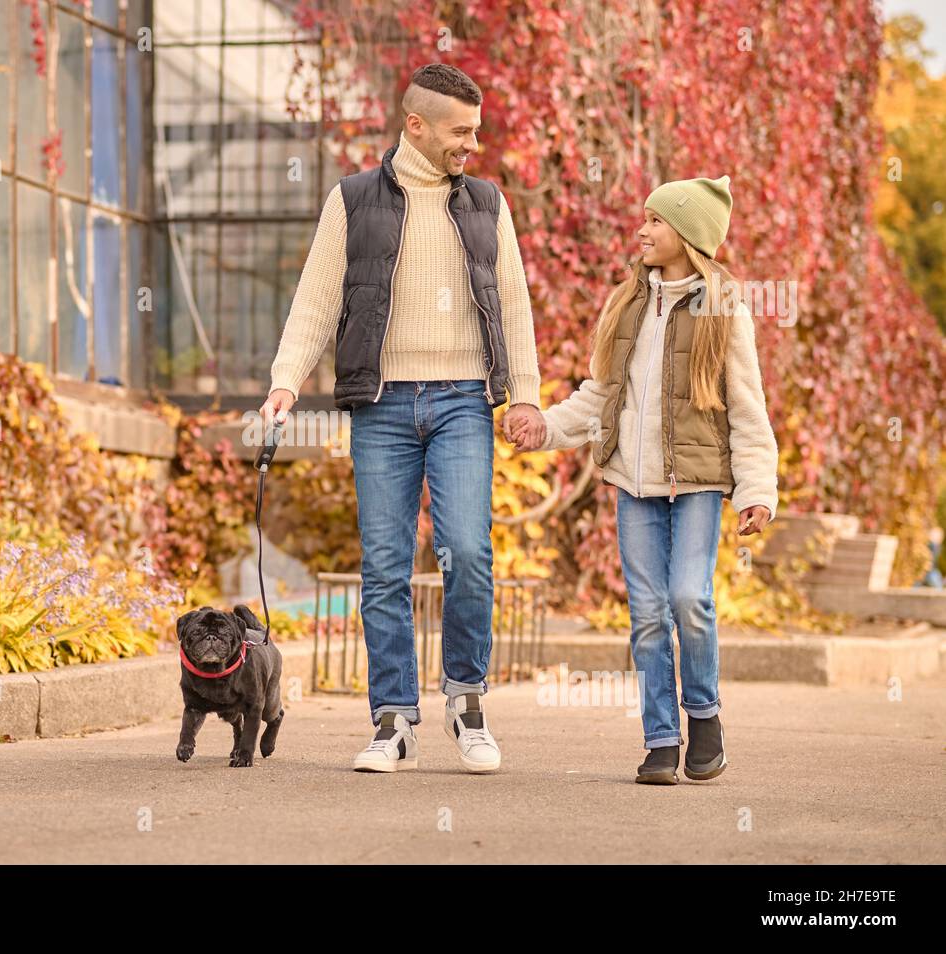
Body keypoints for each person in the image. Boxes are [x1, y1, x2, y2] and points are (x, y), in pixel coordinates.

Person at [258, 63, 545, 773]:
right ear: (414, 125)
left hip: (463, 400)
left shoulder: (485, 203)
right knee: (384, 566)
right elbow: (318, 299)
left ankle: (466, 700)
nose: (472, 145)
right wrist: (285, 383)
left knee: (469, 556)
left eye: (476, 131)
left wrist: (528, 394)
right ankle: (392, 721)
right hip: (381, 402)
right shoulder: (354, 200)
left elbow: (513, 302)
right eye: (459, 131)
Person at [514, 175, 779, 784]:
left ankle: (704, 715)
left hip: (696, 483)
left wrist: (758, 491)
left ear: (688, 235)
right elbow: (600, 394)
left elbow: (747, 405)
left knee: (690, 599)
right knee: (649, 612)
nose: (643, 230)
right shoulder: (626, 304)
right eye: (644, 218)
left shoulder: (724, 309)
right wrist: (546, 429)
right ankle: (661, 740)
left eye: (656, 221)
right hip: (631, 484)